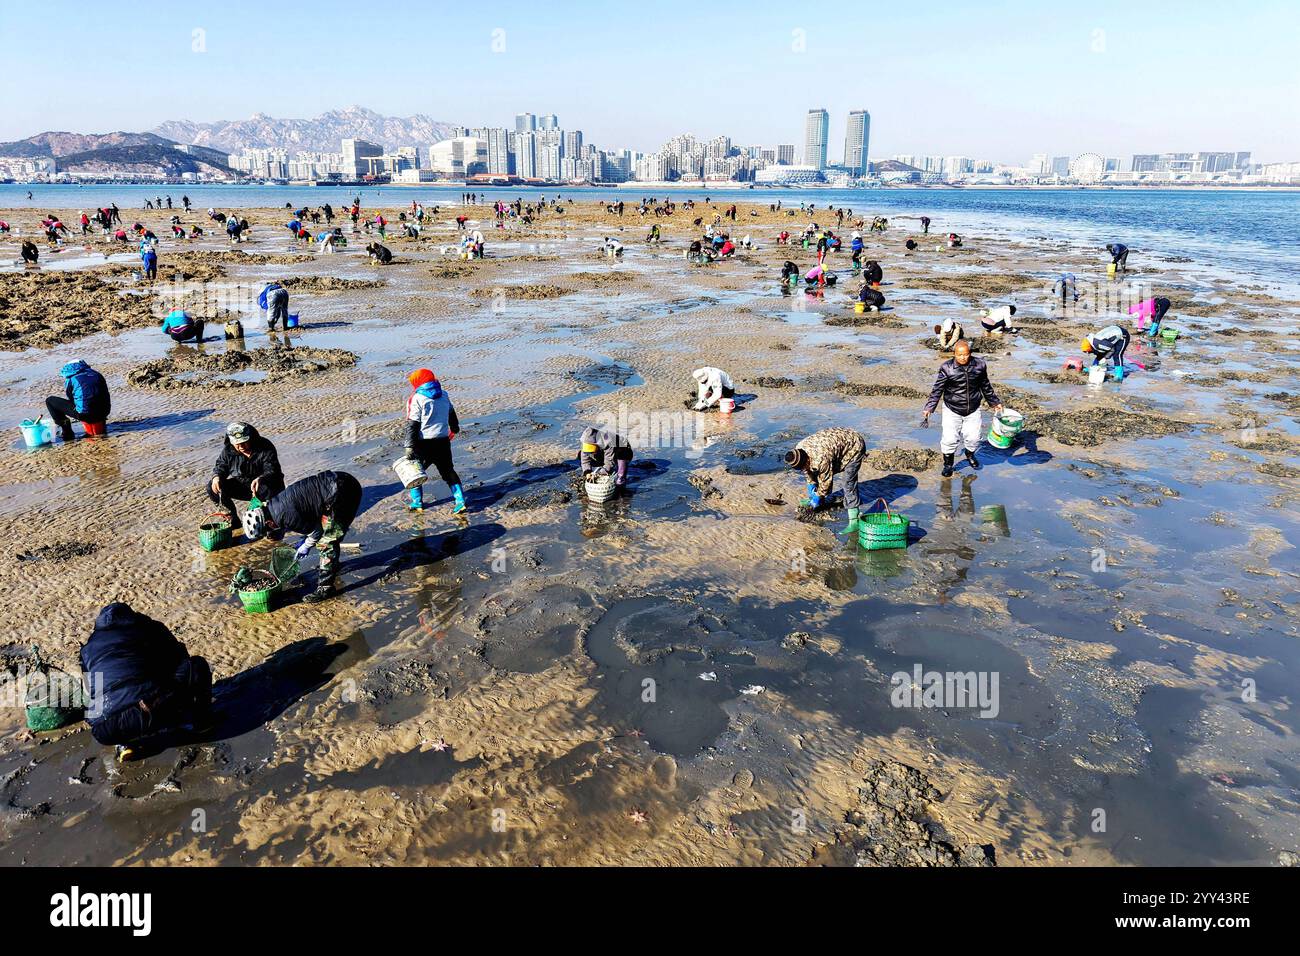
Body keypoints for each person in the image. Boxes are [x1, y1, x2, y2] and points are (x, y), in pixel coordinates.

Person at [79, 603, 212, 756]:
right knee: (195, 665)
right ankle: (201, 722)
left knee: (112, 700)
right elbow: (179, 657)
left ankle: (123, 743)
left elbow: (89, 691)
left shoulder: (87, 649)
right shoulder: (147, 628)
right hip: (149, 710)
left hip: (104, 730)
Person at [243, 470, 363, 604]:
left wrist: (306, 546)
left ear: (269, 523)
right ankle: (332, 566)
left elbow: (316, 533)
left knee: (326, 543)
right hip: (337, 482)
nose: (270, 533)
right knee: (326, 534)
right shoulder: (273, 504)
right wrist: (305, 539)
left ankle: (326, 588)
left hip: (343, 493)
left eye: (268, 530)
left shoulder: (285, 517)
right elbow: (308, 517)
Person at [922, 339, 1003, 476]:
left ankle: (969, 454)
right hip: (952, 408)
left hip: (973, 408)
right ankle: (948, 464)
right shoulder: (947, 368)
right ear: (954, 354)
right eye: (959, 355)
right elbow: (937, 389)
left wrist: (994, 402)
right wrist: (929, 407)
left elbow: (986, 386)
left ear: (969, 353)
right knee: (950, 439)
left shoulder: (979, 365)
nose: (963, 357)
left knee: (974, 438)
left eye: (965, 354)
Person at [403, 369, 465, 514]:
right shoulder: (444, 394)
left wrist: (409, 446)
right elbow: (451, 412)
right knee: (448, 471)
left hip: (423, 444)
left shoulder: (416, 398)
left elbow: (413, 424)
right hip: (443, 441)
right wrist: (454, 428)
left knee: (415, 473)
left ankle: (417, 502)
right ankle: (460, 501)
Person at [784, 427, 866, 534]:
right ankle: (820, 501)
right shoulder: (799, 450)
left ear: (807, 459)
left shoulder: (821, 459)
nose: (803, 469)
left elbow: (826, 482)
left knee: (848, 482)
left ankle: (854, 521)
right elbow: (807, 470)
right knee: (815, 472)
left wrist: (818, 496)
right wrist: (811, 488)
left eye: (804, 466)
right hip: (836, 443)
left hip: (854, 446)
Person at [209, 422, 284, 525]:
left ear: (250, 438)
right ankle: (232, 520)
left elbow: (272, 469)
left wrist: (261, 478)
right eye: (237, 444)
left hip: (267, 487)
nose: (241, 446)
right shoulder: (228, 451)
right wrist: (216, 476)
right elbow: (221, 466)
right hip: (244, 485)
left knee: (269, 524)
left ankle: (269, 520)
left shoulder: (265, 446)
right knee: (212, 487)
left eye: (244, 442)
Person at [46, 360, 110, 441]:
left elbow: (71, 398)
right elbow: (104, 395)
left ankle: (67, 430)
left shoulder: (72, 379)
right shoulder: (97, 374)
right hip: (104, 412)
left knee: (50, 400)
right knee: (97, 399)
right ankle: (101, 427)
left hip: (85, 415)